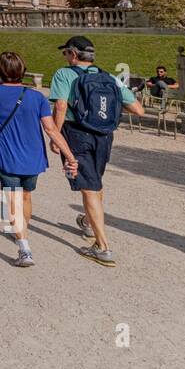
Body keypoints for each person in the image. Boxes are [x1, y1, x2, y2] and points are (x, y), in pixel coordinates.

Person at [50, 36, 145, 267]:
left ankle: (102, 247)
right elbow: (138, 109)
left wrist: (56, 135)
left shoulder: (64, 74)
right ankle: (89, 222)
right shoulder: (109, 77)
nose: (65, 57)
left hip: (77, 134)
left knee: (89, 187)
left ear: (73, 54)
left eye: (66, 53)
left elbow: (61, 105)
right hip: (104, 136)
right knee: (95, 182)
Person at [0, 51, 78, 268]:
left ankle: (24, 247)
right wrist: (70, 155)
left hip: (6, 155)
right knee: (26, 197)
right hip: (33, 156)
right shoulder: (36, 97)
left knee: (13, 200)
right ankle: (22, 231)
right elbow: (51, 129)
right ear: (23, 71)